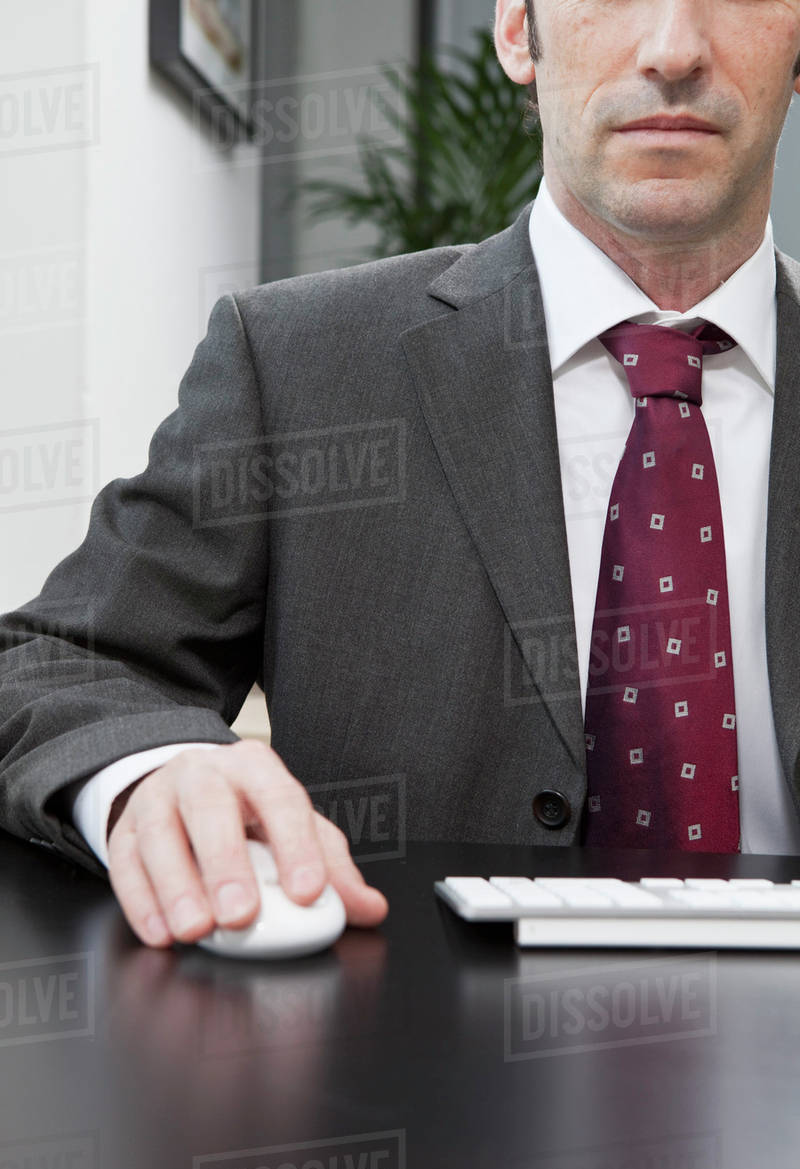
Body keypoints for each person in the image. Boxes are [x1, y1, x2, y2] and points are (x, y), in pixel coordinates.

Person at [2, 0, 800, 949]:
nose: (674, 49)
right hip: (404, 1054)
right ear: (517, 33)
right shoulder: (298, 366)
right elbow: (59, 661)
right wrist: (149, 774)